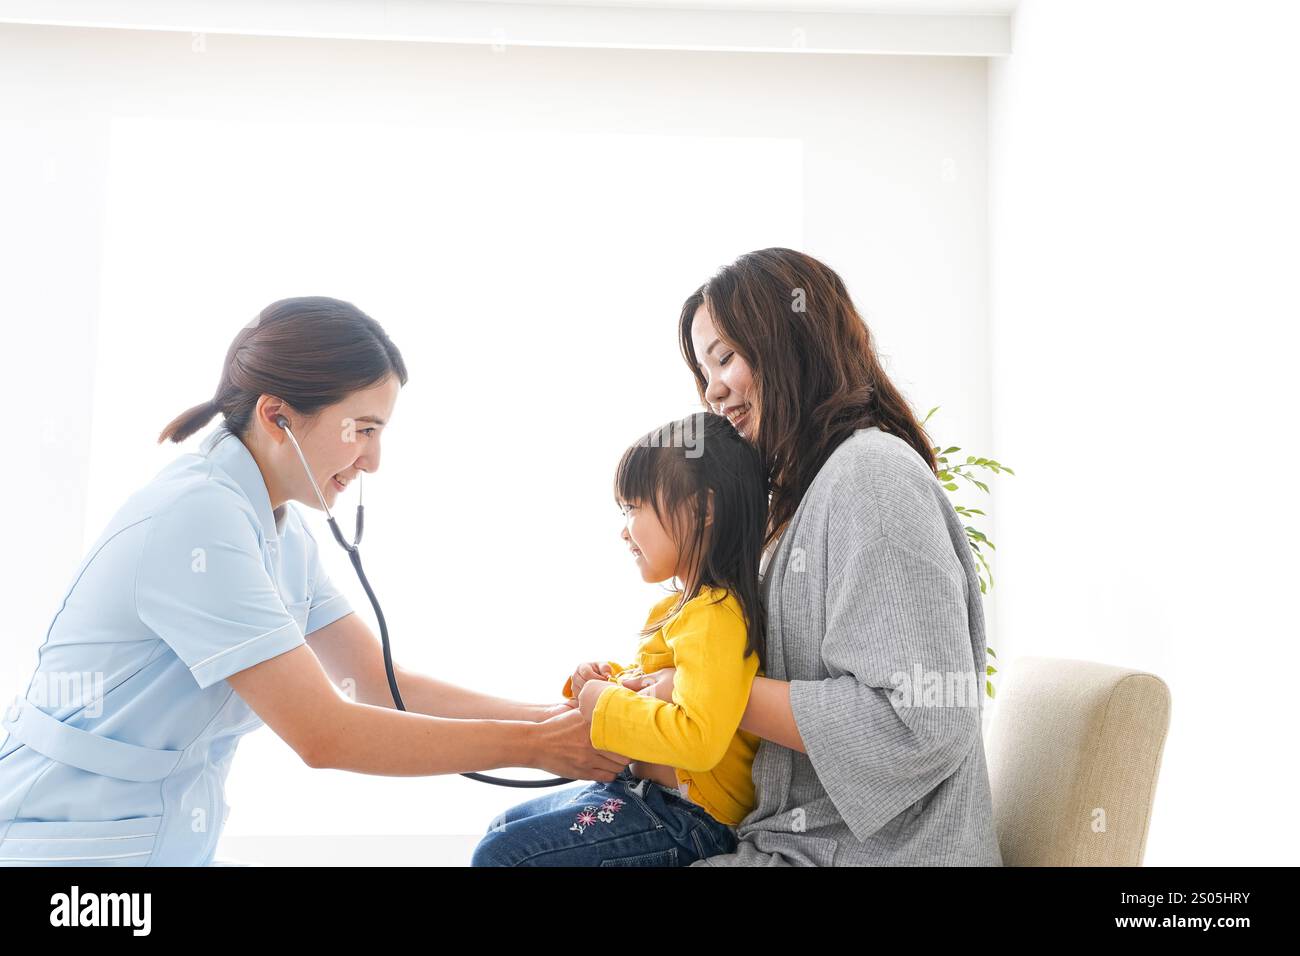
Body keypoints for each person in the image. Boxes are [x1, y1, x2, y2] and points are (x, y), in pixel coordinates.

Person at [0, 296, 624, 867]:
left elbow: (378, 683)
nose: (373, 461)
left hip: (156, 842)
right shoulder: (196, 519)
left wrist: (567, 717)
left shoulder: (277, 526)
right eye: (363, 429)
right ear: (278, 416)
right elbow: (325, 734)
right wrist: (537, 746)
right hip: (66, 846)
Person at [621, 248, 1004, 865]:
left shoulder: (870, 477)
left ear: (789, 343)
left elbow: (922, 720)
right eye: (703, 369)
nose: (713, 388)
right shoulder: (801, 504)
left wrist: (710, 692)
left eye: (725, 357)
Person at [471, 411, 769, 866]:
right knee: (504, 831)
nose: (624, 530)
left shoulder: (717, 615)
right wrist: (610, 681)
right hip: (642, 796)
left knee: (505, 854)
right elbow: (663, 690)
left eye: (633, 508)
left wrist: (602, 702)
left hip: (689, 820)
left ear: (703, 509)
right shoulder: (679, 609)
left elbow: (699, 738)